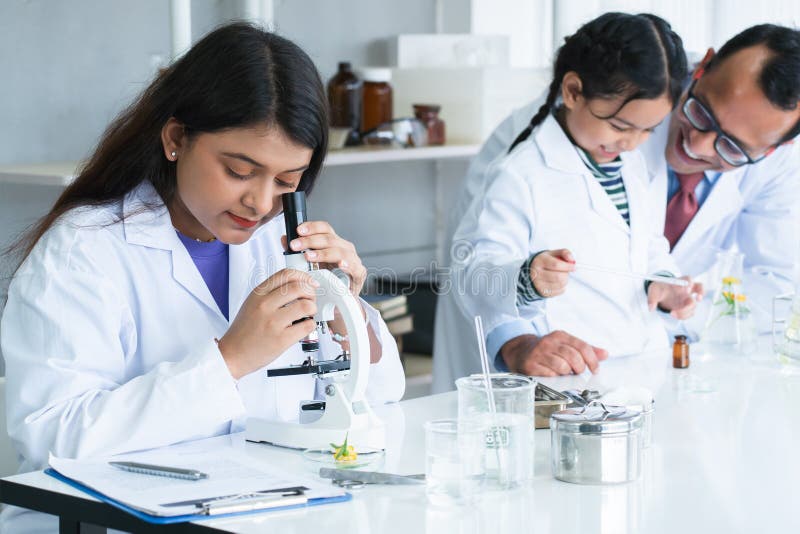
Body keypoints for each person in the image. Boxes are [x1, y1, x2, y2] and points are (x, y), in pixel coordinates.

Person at [0, 22, 404, 531]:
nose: (259, 203)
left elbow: (386, 394)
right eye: (238, 171)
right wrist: (230, 358)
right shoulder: (83, 250)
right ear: (176, 139)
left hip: (257, 508)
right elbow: (53, 441)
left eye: (286, 181)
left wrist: (347, 313)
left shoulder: (281, 241)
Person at [433, 23, 800, 391]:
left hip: (641, 367)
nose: (699, 147)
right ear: (701, 69)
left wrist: (668, 289)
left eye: (732, 147)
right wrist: (517, 338)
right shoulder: (574, 123)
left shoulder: (629, 153)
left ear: (772, 150)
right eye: (701, 112)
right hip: (552, 366)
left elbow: (765, 282)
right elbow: (477, 257)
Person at [436, 13, 696, 389]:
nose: (632, 142)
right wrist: (527, 278)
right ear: (573, 92)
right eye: (621, 126)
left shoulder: (629, 163)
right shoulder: (521, 172)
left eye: (648, 130)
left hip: (638, 364)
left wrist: (663, 282)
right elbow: (474, 270)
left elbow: (645, 245)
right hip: (569, 373)